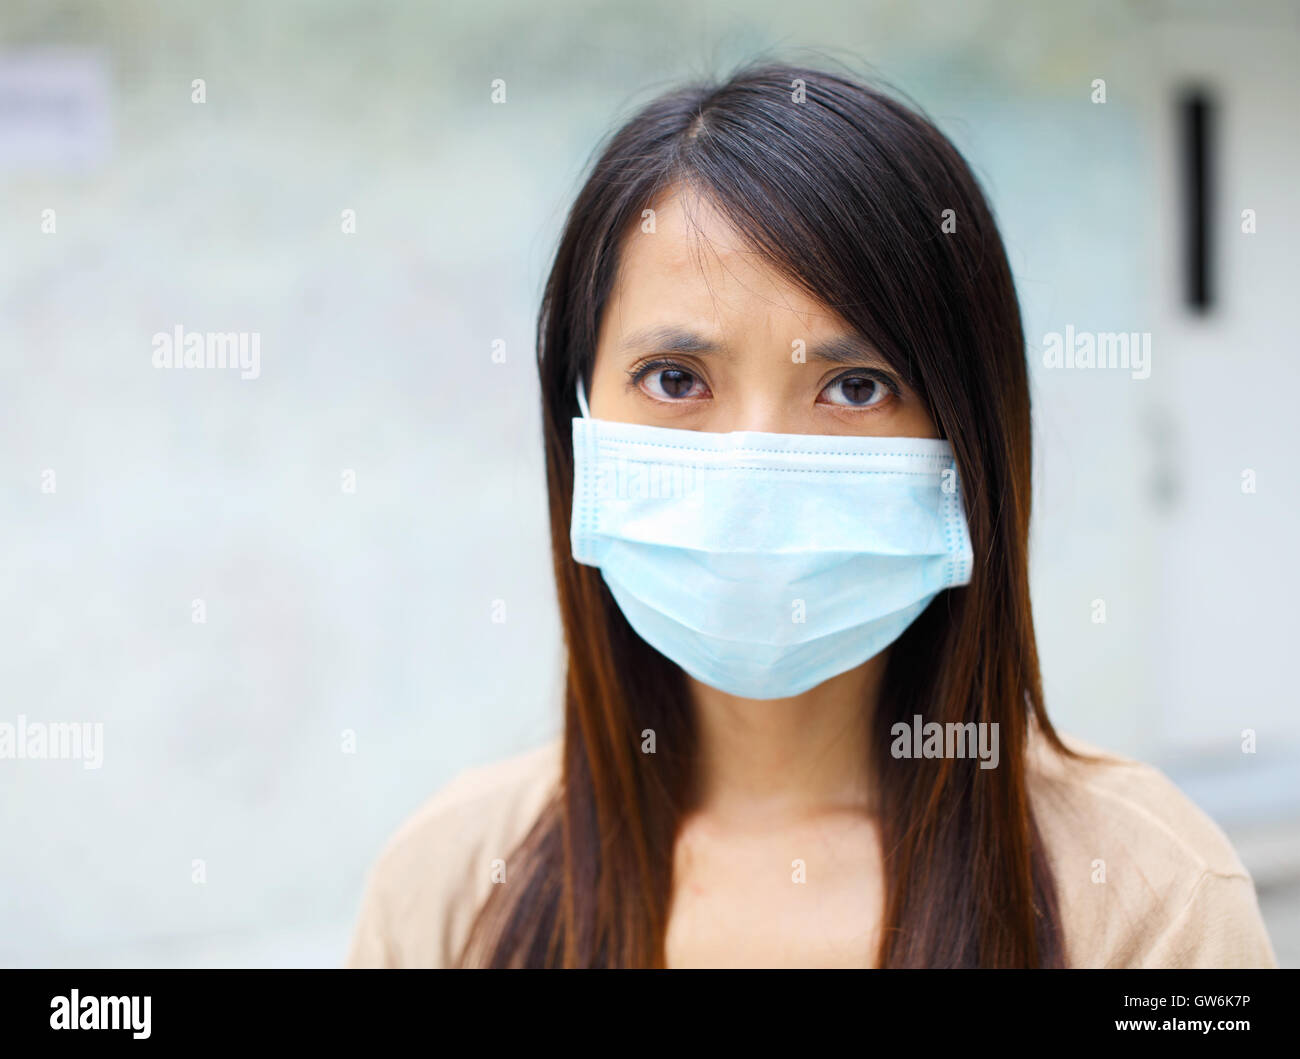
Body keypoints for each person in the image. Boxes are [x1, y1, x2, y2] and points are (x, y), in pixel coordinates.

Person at [345, 59, 1277, 969]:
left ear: (969, 437)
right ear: (577, 421)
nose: (752, 465)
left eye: (856, 385)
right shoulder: (453, 888)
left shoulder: (1152, 902)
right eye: (676, 380)